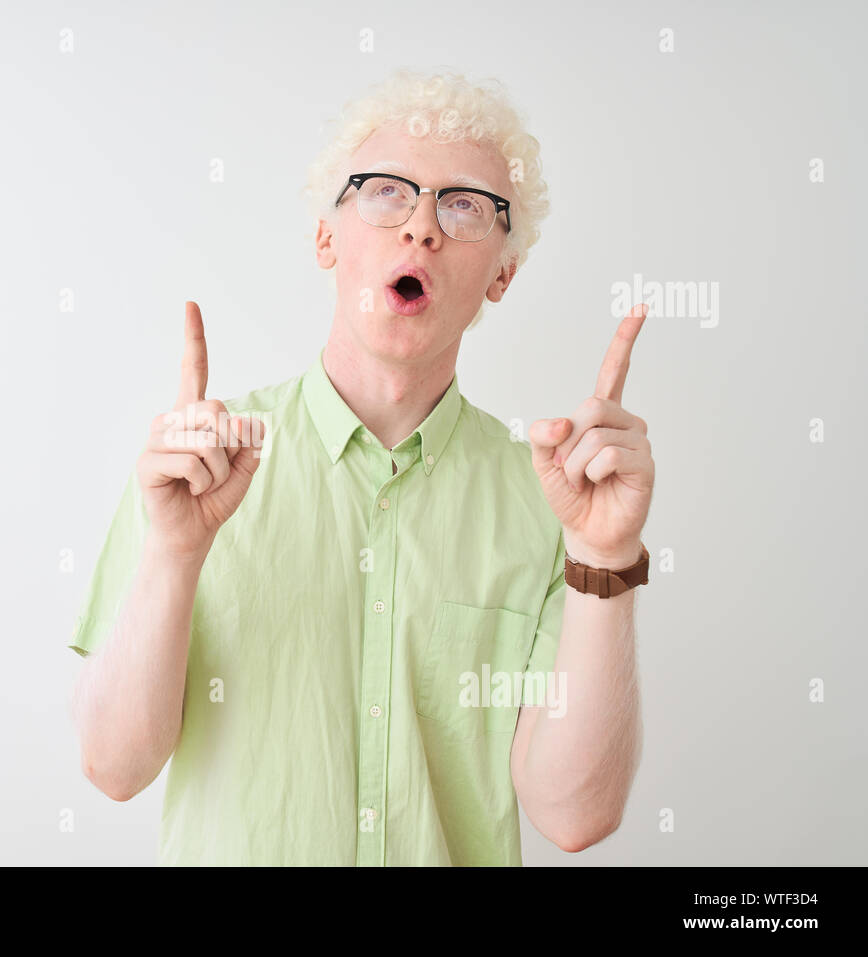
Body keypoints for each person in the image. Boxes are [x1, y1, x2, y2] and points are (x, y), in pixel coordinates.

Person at [67, 69, 654, 866]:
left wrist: (606, 556)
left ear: (502, 275)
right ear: (326, 237)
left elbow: (573, 813)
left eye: (463, 205)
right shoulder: (193, 466)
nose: (422, 227)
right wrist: (174, 551)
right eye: (386, 192)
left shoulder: (552, 501)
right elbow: (113, 765)